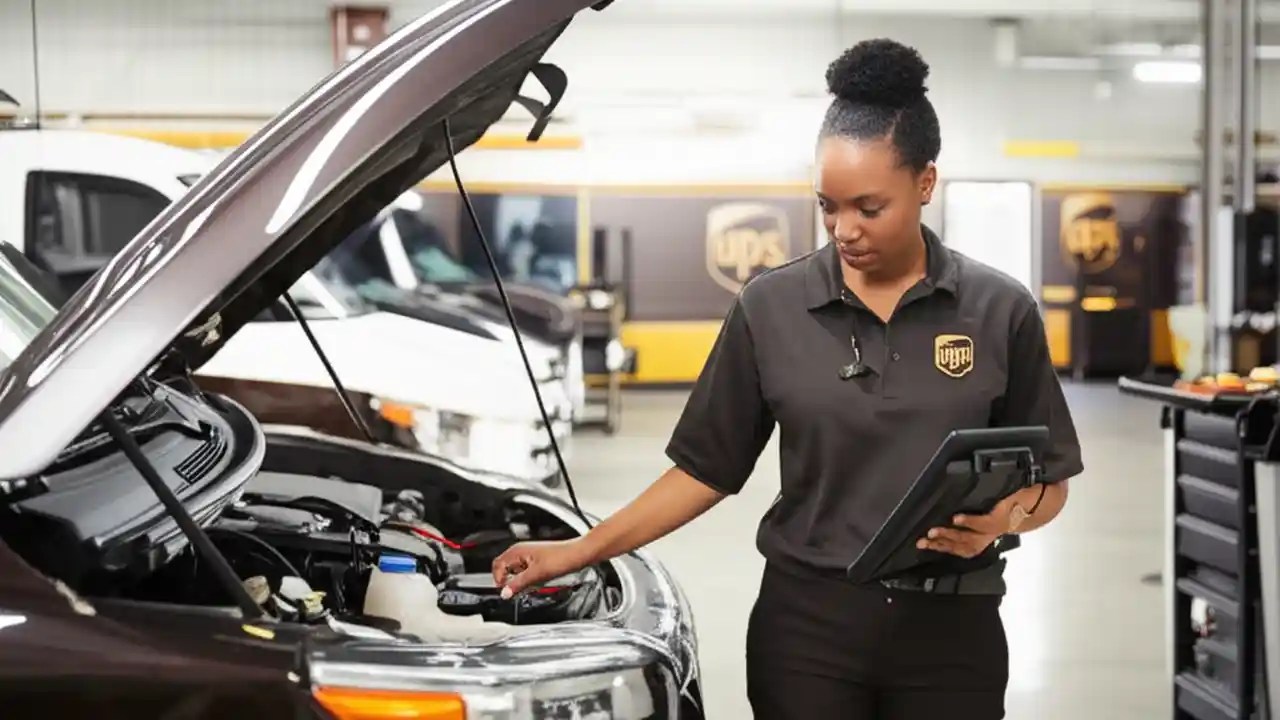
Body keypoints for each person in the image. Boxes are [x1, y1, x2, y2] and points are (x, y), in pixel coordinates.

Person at [492, 37, 1083, 720]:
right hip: (809, 635)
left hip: (954, 635)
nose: (843, 229)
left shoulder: (1000, 311)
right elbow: (703, 471)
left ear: (925, 183)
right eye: (827, 205)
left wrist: (1005, 518)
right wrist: (577, 551)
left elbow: (1052, 482)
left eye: (869, 206)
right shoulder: (769, 308)